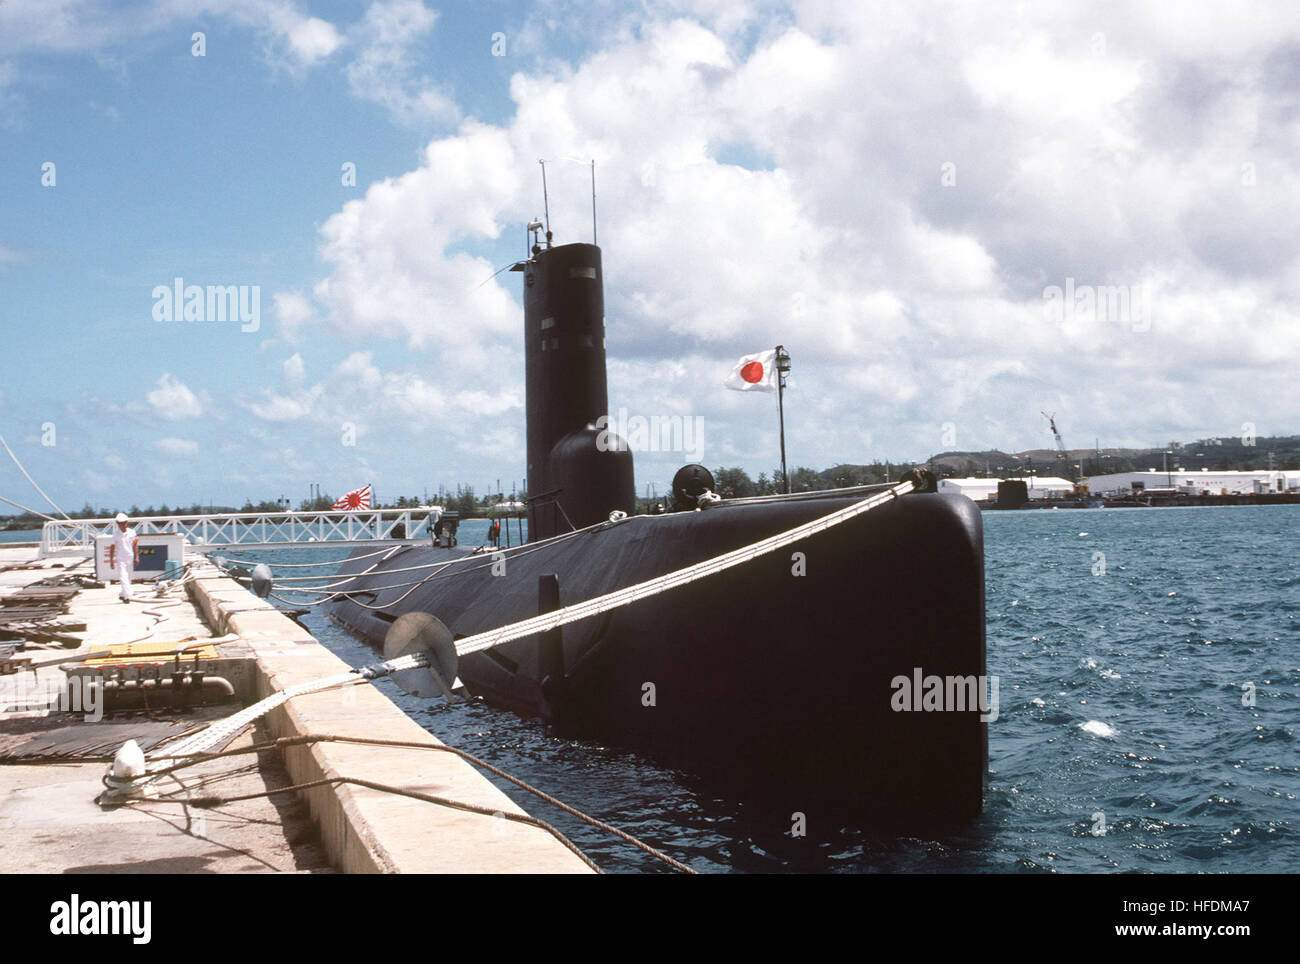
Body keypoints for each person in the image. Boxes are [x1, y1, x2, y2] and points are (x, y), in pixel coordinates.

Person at [107, 512, 139, 603]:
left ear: (127, 522)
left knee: (128, 578)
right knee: (123, 577)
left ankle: (122, 594)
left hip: (130, 557)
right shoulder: (116, 535)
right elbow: (112, 548)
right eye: (120, 523)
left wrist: (137, 557)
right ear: (118, 524)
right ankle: (127, 597)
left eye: (124, 523)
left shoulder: (132, 532)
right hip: (120, 558)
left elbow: (135, 545)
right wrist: (111, 561)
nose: (123, 525)